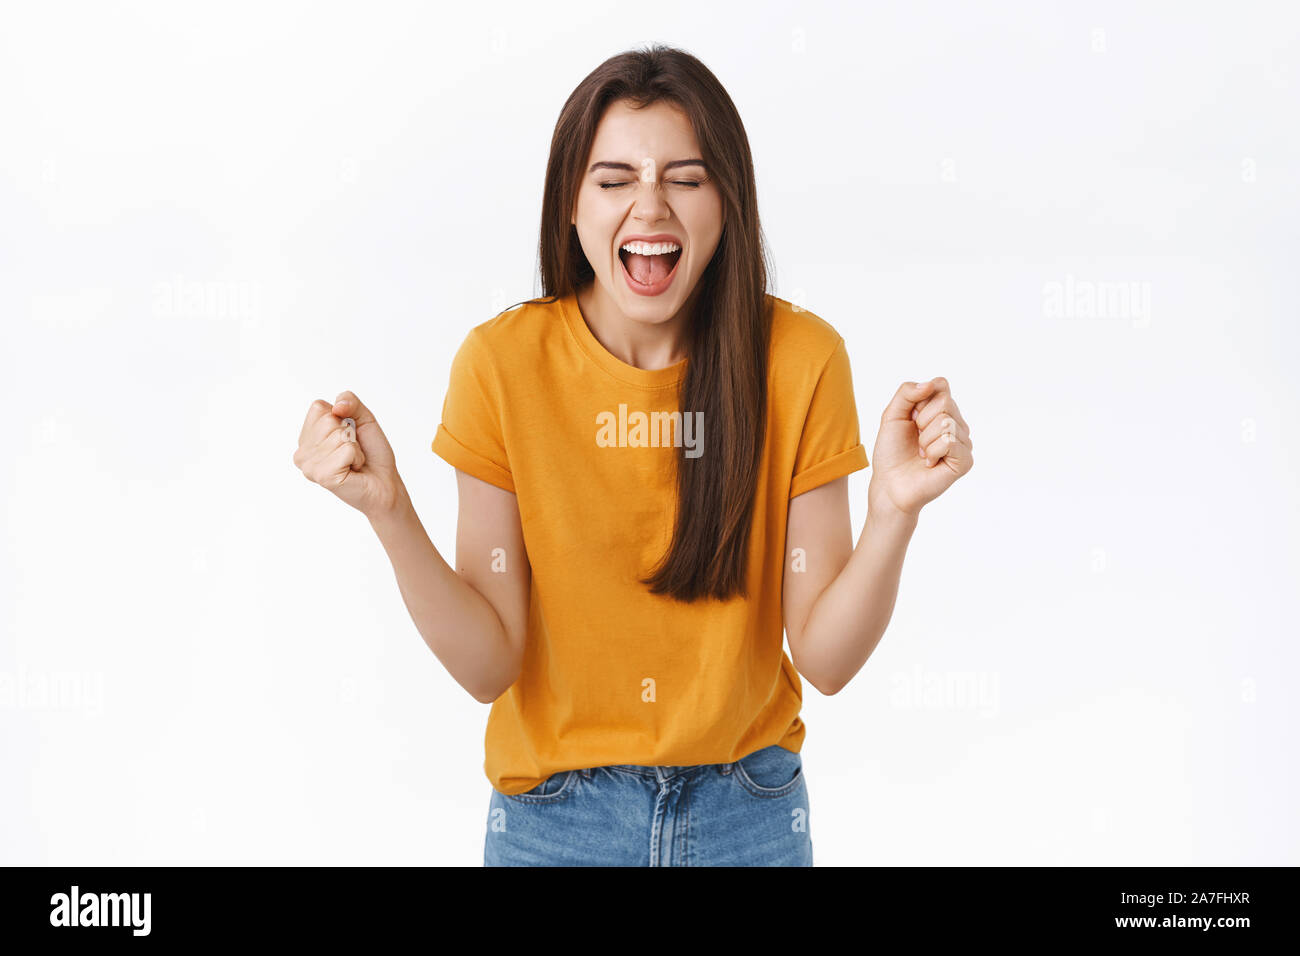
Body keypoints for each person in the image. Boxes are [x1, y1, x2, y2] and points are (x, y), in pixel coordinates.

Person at [291, 44, 973, 866]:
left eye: (684, 178)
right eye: (614, 180)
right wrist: (389, 511)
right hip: (553, 823)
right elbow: (487, 665)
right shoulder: (502, 365)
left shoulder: (801, 358)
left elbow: (825, 661)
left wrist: (893, 514)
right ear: (572, 208)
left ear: (727, 202)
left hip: (748, 816)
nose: (649, 207)